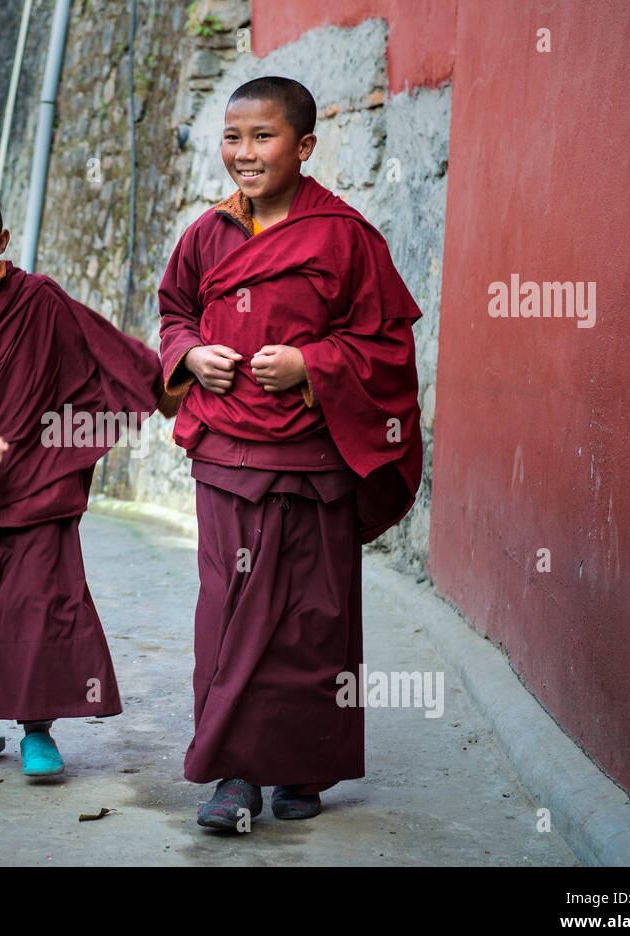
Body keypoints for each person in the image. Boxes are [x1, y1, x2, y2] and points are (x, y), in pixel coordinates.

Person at [158, 77, 423, 829]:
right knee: (230, 611)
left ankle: (301, 767)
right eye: (232, 137)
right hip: (227, 457)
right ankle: (235, 774)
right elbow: (174, 309)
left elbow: (387, 343)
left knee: (313, 617)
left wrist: (316, 366)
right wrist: (190, 354)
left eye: (263, 137)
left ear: (304, 147)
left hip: (314, 462)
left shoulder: (345, 237)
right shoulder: (207, 233)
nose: (244, 153)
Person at [0, 182, 168, 776]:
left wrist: (164, 378)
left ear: (1, 240)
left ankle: (38, 729)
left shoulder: (38, 299)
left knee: (42, 606)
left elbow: (102, 349)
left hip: (40, 482)